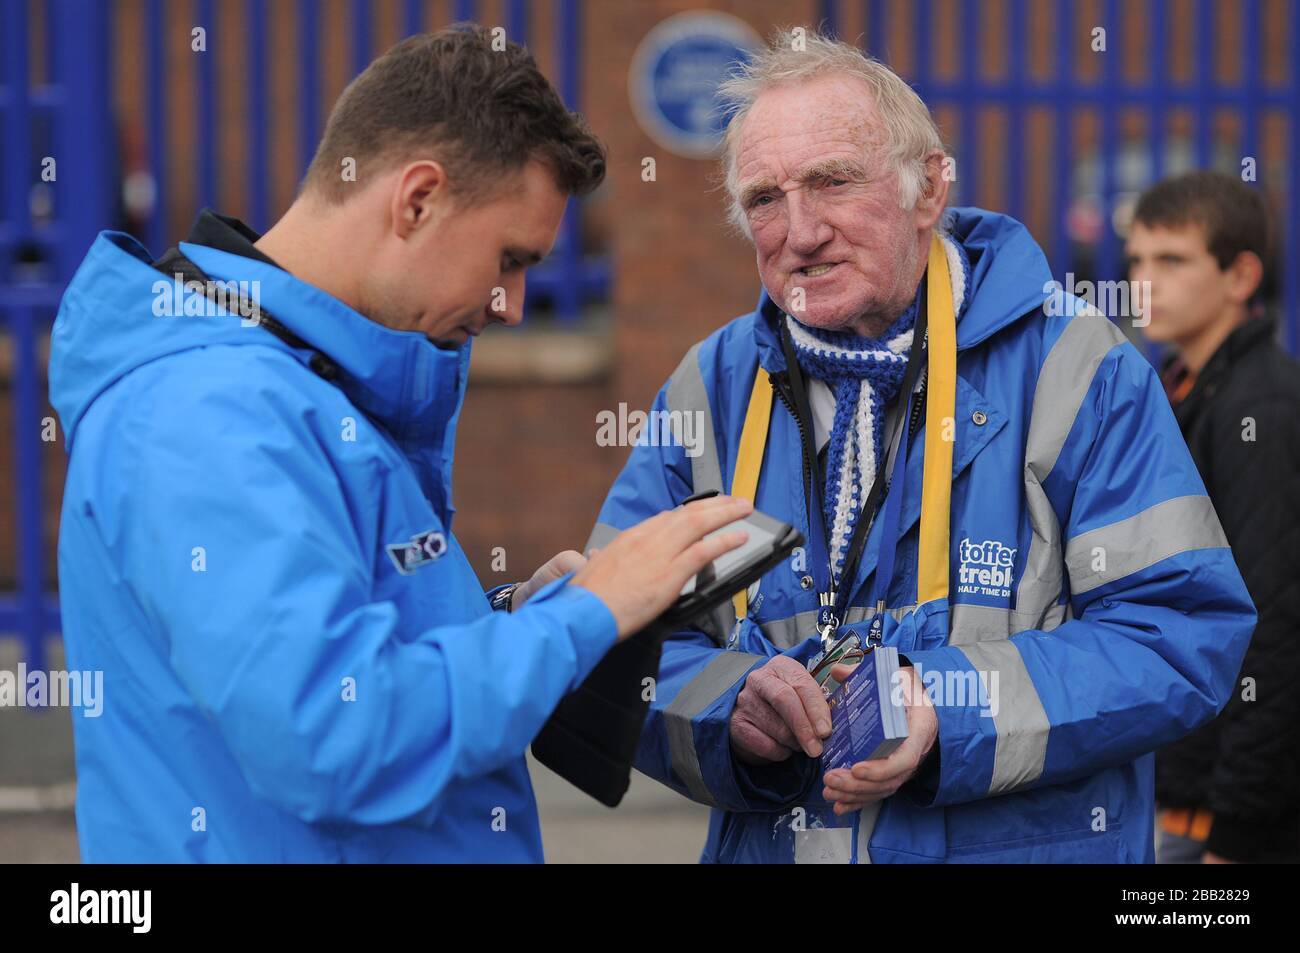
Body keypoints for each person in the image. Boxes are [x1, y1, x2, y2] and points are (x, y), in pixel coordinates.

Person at [49, 27, 752, 863]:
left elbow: (350, 639)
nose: (515, 305)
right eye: (510, 259)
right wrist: (585, 615)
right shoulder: (210, 411)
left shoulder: (303, 381)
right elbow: (330, 733)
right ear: (416, 200)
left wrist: (512, 619)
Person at [586, 32, 1257, 863]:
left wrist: (948, 707)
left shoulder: (1078, 369)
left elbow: (1180, 632)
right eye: (764, 198)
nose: (799, 232)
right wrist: (729, 711)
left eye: (833, 181)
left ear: (928, 189)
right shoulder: (711, 386)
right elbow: (611, 641)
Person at [1127, 170, 1300, 864]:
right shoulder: (1182, 388)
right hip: (1175, 781)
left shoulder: (1259, 409)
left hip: (1221, 815)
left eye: (1172, 260)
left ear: (1240, 275)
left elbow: (1276, 627)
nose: (1145, 281)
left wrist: (1237, 828)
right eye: (1136, 259)